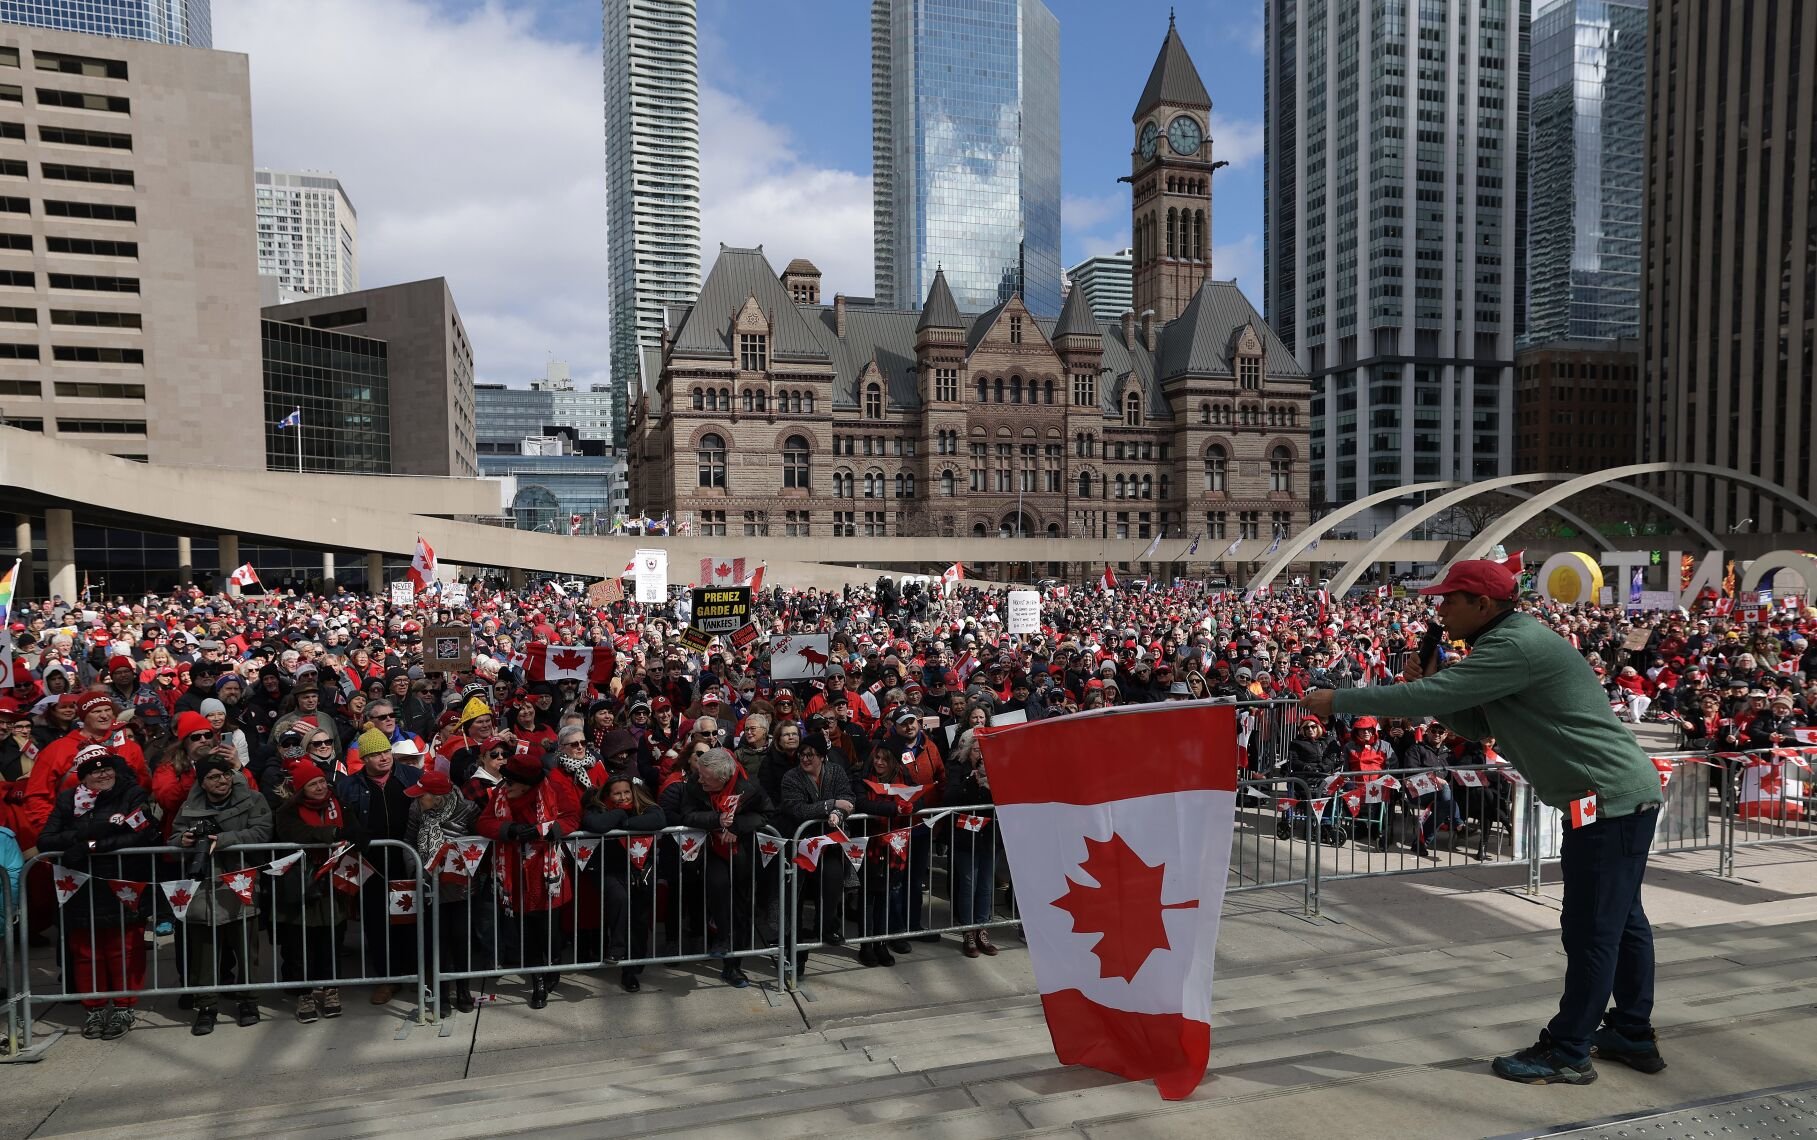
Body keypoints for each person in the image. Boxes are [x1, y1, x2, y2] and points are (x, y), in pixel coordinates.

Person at [1302, 560, 1667, 1084]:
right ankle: (1630, 1031)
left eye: (1450, 600)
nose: (1440, 609)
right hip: (1613, 798)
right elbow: (1474, 720)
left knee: (1591, 930)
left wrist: (1339, 699)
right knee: (1622, 921)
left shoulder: (1511, 646)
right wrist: (1435, 685)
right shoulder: (1508, 642)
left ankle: (1568, 1049)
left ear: (1483, 605)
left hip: (1604, 803)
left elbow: (1430, 699)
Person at [36, 747, 158, 1040]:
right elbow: (46, 840)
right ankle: (94, 1008)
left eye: (106, 768)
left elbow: (139, 832)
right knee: (86, 953)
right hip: (80, 890)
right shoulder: (68, 800)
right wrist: (82, 835)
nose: (102, 774)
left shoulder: (132, 794)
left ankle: (123, 1006)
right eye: (93, 770)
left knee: (123, 950)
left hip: (122, 884)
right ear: (83, 777)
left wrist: (92, 846)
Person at [169, 755, 274, 1035]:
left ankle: (248, 1002)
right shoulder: (190, 806)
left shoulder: (253, 799)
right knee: (204, 953)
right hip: (203, 888)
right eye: (214, 777)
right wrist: (184, 840)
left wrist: (224, 840)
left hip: (241, 882)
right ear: (202, 782)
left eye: (226, 774)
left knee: (246, 950)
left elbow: (262, 832)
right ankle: (206, 1007)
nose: (222, 781)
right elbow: (172, 838)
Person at [474, 745, 580, 1009]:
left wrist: (549, 829)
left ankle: (553, 967)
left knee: (550, 930)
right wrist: (508, 829)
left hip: (546, 874)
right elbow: (483, 823)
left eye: (511, 781)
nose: (504, 784)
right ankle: (538, 983)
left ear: (526, 784)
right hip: (515, 873)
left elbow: (572, 817)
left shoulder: (553, 790)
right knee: (529, 933)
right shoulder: (500, 794)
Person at [271, 759, 363, 1022]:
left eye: (322, 781)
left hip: (334, 884)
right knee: (301, 945)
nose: (321, 787)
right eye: (313, 784)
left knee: (332, 940)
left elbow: (353, 828)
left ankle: (330, 988)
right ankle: (304, 994)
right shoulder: (287, 812)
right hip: (302, 884)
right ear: (301, 789)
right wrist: (333, 832)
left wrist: (356, 834)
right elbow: (298, 833)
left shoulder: (340, 804)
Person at [676, 746, 774, 988]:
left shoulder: (749, 788)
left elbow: (767, 814)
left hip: (742, 853)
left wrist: (736, 826)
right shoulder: (695, 784)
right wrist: (716, 821)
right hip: (711, 850)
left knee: (741, 909)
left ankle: (734, 967)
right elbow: (687, 815)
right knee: (718, 888)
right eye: (699, 775)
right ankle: (721, 938)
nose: (699, 780)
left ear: (723, 779)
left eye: (706, 778)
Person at [580, 774, 665, 992]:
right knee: (619, 900)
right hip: (610, 872)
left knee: (639, 920)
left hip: (640, 873)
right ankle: (617, 949)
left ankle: (632, 969)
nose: (623, 796)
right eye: (617, 793)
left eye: (627, 792)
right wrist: (619, 813)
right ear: (608, 794)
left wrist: (625, 823)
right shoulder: (597, 807)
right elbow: (595, 824)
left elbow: (658, 819)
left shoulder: (643, 805)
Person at [777, 732, 853, 975]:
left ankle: (826, 925)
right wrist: (831, 805)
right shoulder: (791, 777)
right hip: (799, 848)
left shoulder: (836, 772)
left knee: (833, 883)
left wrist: (838, 814)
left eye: (810, 754)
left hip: (829, 846)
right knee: (794, 902)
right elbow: (797, 809)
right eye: (802, 754)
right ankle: (794, 958)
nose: (805, 758)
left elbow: (849, 800)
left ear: (822, 756)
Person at [403, 770, 478, 1014]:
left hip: (459, 885)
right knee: (437, 940)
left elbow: (479, 844)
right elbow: (409, 842)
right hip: (429, 885)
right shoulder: (416, 810)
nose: (417, 799)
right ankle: (441, 993)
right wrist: (417, 872)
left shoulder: (468, 809)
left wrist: (473, 875)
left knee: (460, 938)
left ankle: (464, 989)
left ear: (437, 797)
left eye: (421, 795)